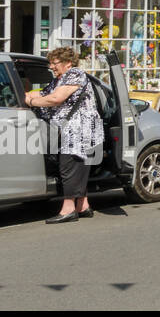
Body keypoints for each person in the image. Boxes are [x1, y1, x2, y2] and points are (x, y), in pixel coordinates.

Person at [25, 47, 103, 223]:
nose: (51, 66)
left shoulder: (75, 74)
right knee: (79, 166)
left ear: (68, 63)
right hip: (75, 129)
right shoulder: (60, 79)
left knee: (68, 166)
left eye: (55, 63)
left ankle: (68, 209)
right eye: (50, 63)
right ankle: (83, 206)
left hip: (79, 128)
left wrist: (31, 101)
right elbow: (45, 93)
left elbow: (55, 99)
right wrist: (21, 94)